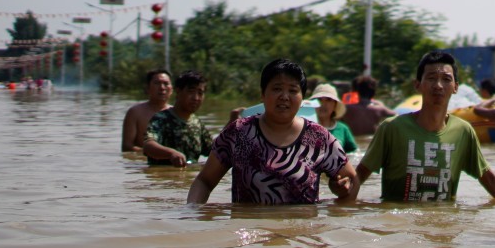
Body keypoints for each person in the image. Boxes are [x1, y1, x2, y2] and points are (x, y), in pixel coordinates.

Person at [187, 59, 357, 205]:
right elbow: (204, 181)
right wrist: (192, 215)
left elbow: (352, 180)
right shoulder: (238, 133)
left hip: (301, 239)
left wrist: (340, 192)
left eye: (292, 90)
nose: (284, 96)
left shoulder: (319, 137)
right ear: (262, 93)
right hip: (248, 237)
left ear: (302, 98)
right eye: (277, 88)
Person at [353, 51, 495, 202]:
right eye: (431, 78)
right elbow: (358, 177)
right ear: (418, 85)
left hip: (443, 227)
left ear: (456, 87)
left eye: (446, 79)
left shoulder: (463, 131)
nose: (438, 85)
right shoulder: (391, 129)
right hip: (399, 228)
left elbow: (489, 179)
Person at [142, 70, 214, 167]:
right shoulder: (161, 119)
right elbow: (148, 146)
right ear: (178, 91)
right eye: (191, 91)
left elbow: (215, 150)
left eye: (200, 93)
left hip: (189, 178)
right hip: (163, 179)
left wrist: (232, 125)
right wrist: (171, 153)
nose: (196, 98)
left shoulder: (197, 123)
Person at [122, 69, 172, 152]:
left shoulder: (177, 113)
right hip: (143, 162)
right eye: (157, 83)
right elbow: (127, 147)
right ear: (147, 88)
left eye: (166, 84)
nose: (162, 88)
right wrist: (157, 154)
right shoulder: (135, 112)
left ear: (172, 89)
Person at [310, 83, 359, 153]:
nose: (323, 104)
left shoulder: (343, 129)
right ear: (313, 104)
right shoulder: (305, 127)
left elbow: (354, 153)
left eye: (328, 100)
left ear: (335, 105)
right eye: (319, 99)